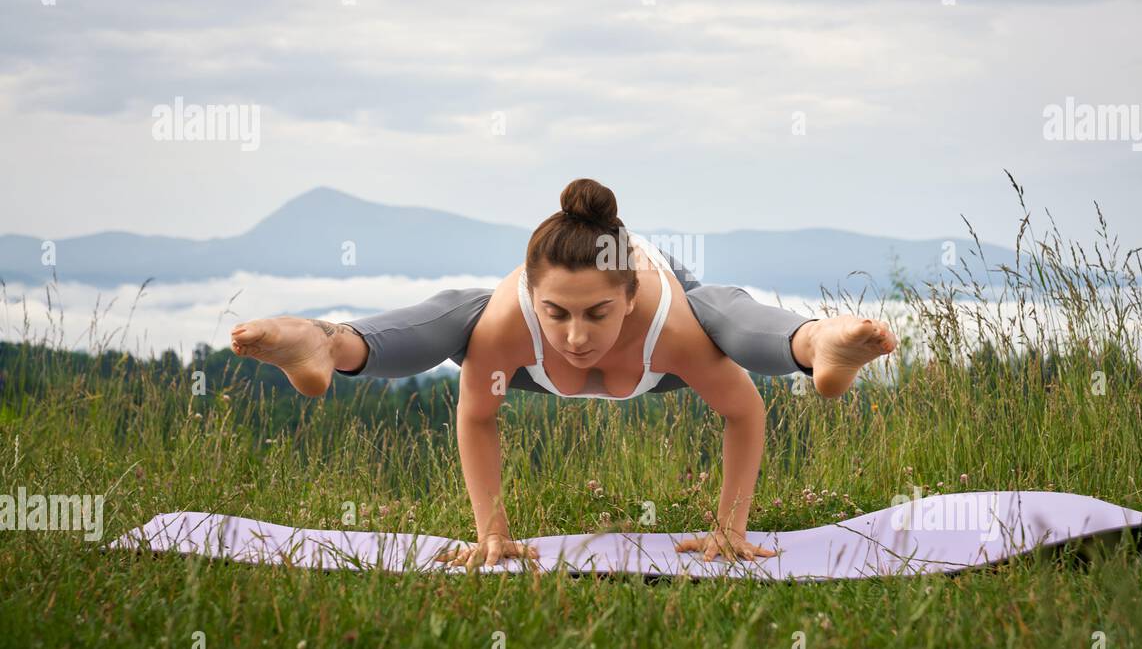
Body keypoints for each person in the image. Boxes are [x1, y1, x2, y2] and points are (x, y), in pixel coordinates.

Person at [230, 178, 896, 568]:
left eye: (597, 313)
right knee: (449, 317)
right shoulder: (505, 324)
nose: (576, 337)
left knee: (720, 309)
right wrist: (491, 530)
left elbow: (742, 410)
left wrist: (730, 526)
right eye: (556, 312)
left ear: (630, 294)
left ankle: (817, 341)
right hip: (526, 363)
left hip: (655, 359)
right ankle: (323, 340)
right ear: (531, 293)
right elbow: (478, 415)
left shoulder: (669, 322)